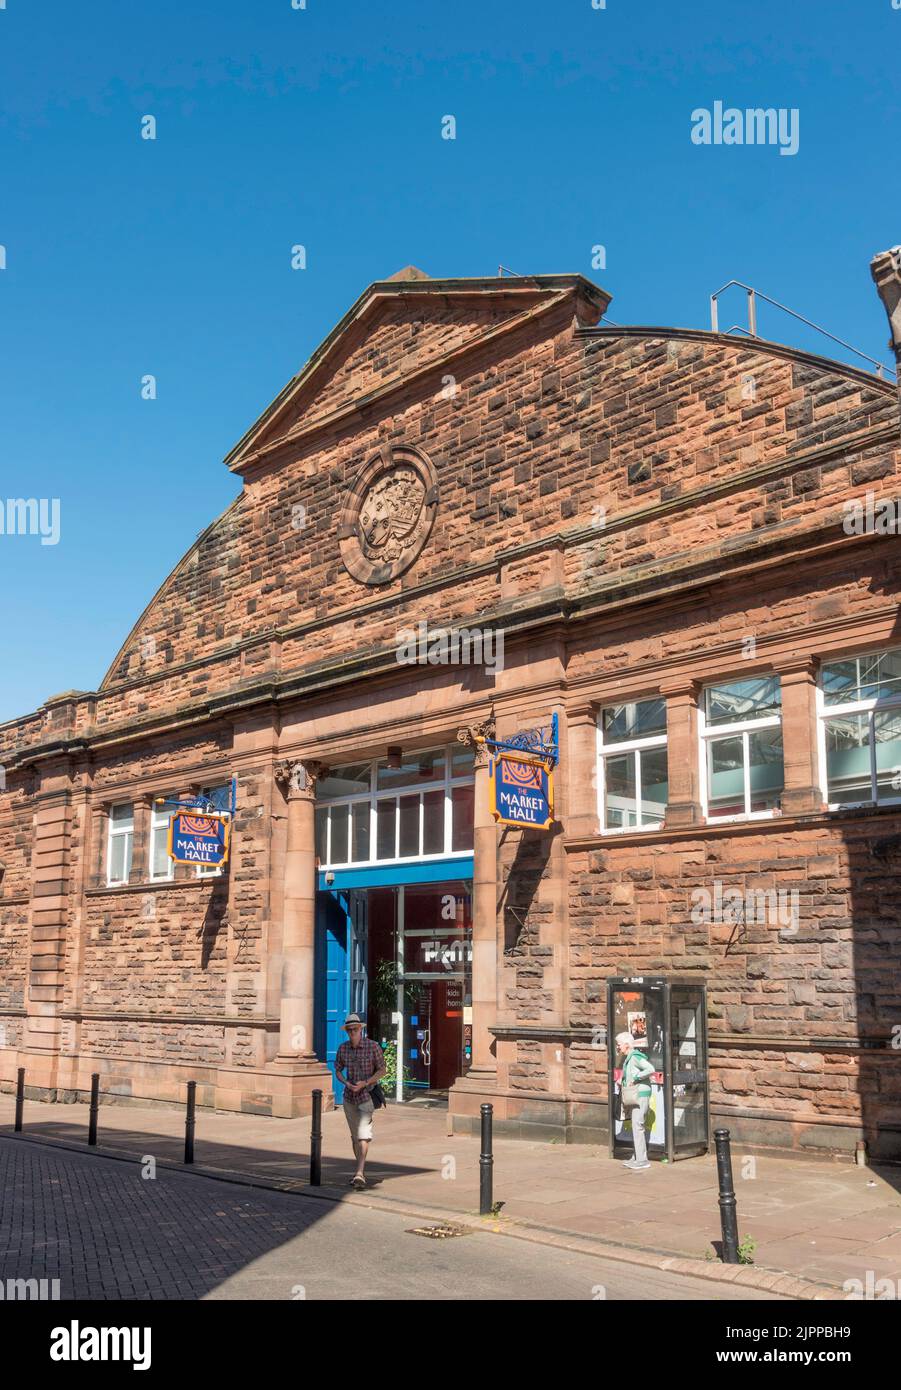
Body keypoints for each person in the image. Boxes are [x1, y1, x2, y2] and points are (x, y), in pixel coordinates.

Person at [335, 1012, 386, 1190]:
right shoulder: (343, 1048)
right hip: (349, 1098)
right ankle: (360, 1169)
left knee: (364, 1134)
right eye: (349, 1030)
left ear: (361, 1030)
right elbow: (338, 1070)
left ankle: (359, 1173)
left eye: (355, 1029)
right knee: (355, 1137)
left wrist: (366, 1082)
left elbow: (382, 1070)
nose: (352, 1033)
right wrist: (346, 1083)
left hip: (366, 1097)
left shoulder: (373, 1047)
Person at [616, 1030, 656, 1171]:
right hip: (636, 1094)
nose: (618, 1047)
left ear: (627, 1045)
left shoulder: (635, 1057)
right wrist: (623, 1079)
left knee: (637, 1126)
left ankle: (642, 1160)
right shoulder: (630, 1058)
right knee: (636, 1126)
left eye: (619, 1044)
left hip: (640, 1095)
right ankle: (637, 1156)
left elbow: (650, 1068)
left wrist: (636, 1077)